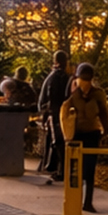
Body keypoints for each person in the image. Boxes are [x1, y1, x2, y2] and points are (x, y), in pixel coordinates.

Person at [63, 62, 108, 214]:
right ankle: (74, 201)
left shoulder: (98, 94)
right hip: (76, 134)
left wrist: (106, 129)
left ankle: (87, 202)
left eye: (87, 78)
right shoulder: (72, 92)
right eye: (82, 78)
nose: (84, 81)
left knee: (89, 169)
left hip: (92, 132)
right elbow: (64, 110)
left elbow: (103, 112)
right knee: (75, 171)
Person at [38, 50, 72, 183]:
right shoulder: (67, 77)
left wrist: (46, 112)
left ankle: (60, 171)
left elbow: (48, 98)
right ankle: (59, 169)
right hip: (64, 112)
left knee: (58, 142)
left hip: (55, 112)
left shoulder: (53, 77)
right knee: (61, 142)